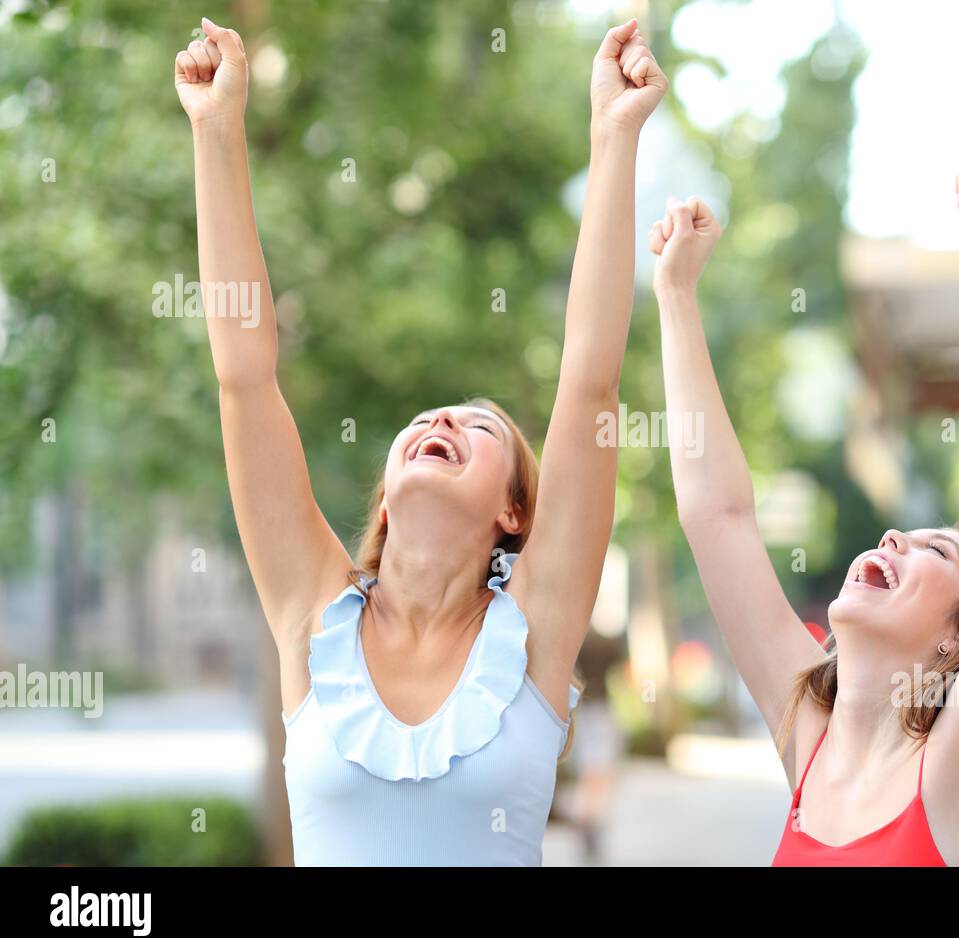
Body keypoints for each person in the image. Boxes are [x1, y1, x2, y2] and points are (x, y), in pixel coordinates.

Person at [173, 16, 665, 865]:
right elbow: (245, 378)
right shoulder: (312, 613)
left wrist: (612, 137)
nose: (439, 422)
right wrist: (216, 132)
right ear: (386, 495)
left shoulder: (536, 625)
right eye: (426, 422)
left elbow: (591, 381)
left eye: (476, 427)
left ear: (514, 512)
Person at [648, 157, 959, 866]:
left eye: (937, 552)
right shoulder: (809, 732)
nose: (893, 535)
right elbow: (718, 517)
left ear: (958, 643)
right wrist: (676, 292)